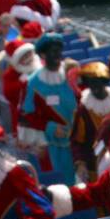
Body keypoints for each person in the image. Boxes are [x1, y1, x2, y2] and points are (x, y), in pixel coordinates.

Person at [18, 33, 79, 184]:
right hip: (54, 145)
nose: (58, 55)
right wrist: (49, 127)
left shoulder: (72, 73)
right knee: (62, 184)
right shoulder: (33, 83)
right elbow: (25, 116)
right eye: (53, 51)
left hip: (79, 140)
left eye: (59, 50)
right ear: (43, 55)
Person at [70, 60, 110, 179]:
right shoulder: (84, 109)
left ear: (104, 82)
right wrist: (80, 163)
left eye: (97, 83)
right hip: (95, 164)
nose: (94, 87)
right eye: (91, 83)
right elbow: (77, 141)